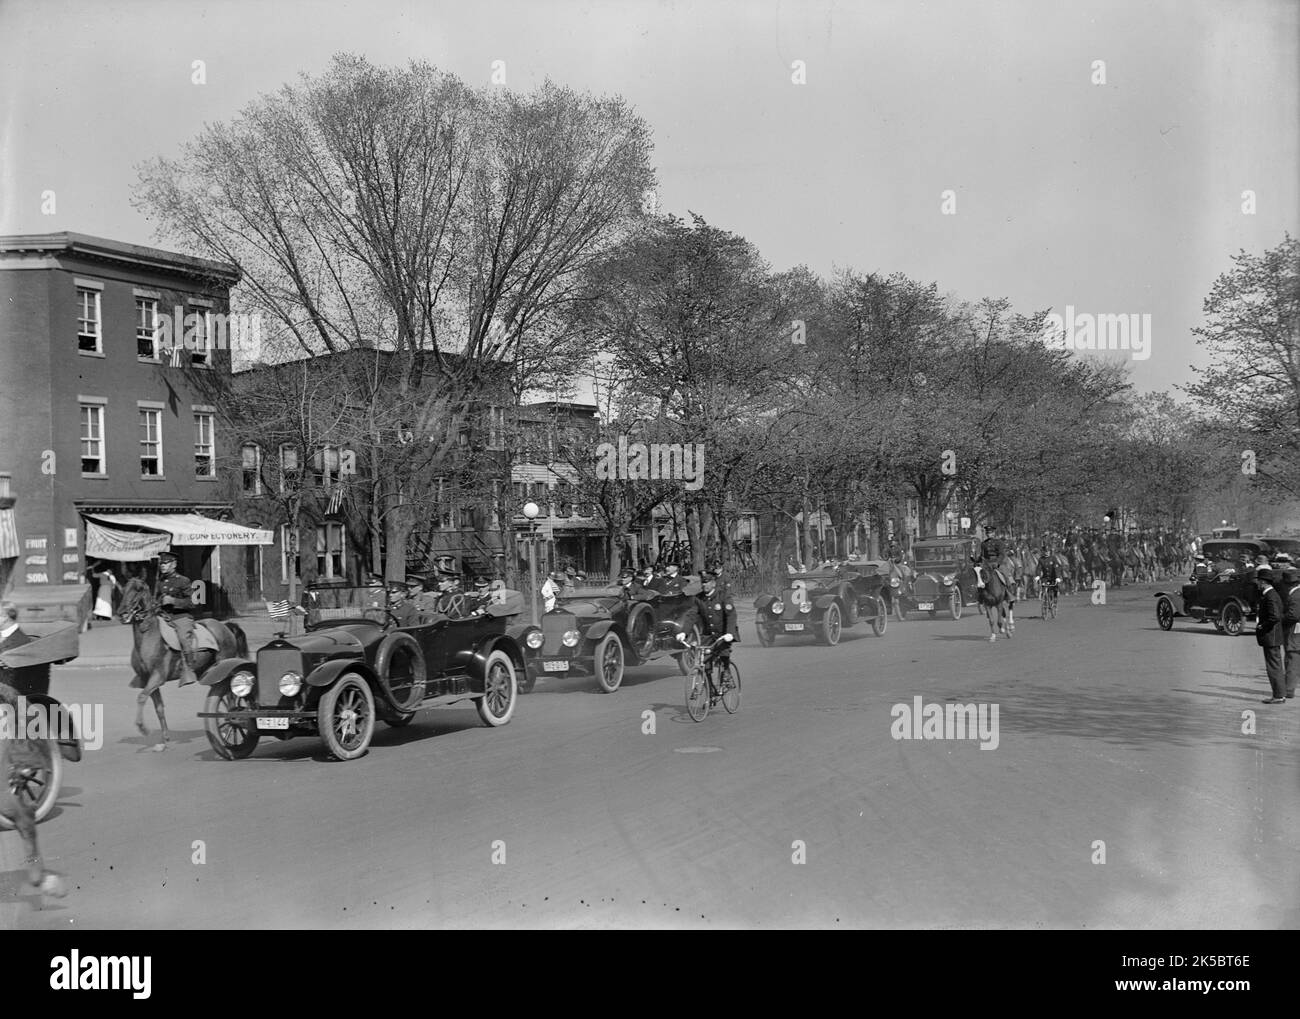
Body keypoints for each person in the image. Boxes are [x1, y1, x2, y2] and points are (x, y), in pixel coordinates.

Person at [156, 551, 200, 686]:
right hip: (163, 616)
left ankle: (189, 669)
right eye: (161, 563)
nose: (162, 566)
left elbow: (193, 602)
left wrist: (173, 601)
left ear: (174, 564)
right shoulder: (159, 582)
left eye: (166, 563)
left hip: (180, 616)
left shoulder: (183, 581)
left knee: (182, 639)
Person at [690, 570, 737, 691]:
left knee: (723, 652)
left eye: (707, 582)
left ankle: (726, 672)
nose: (704, 585)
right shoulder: (698, 598)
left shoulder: (723, 596)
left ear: (713, 583)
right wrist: (682, 632)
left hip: (724, 633)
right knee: (704, 661)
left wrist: (730, 633)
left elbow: (731, 615)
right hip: (708, 635)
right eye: (703, 582)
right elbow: (691, 616)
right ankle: (710, 688)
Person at [1254, 566, 1287, 703]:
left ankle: (1278, 696)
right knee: (1276, 666)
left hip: (1270, 636)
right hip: (1273, 636)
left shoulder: (1270, 596)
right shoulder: (1272, 594)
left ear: (1263, 582)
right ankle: (1280, 694)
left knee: (1273, 667)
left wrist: (1262, 625)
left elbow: (1274, 617)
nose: (1257, 584)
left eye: (1258, 581)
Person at [1278, 567, 1300, 700]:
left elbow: (1293, 615)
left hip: (1295, 630)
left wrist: (1280, 619)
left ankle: (1289, 689)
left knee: (1292, 658)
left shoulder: (1295, 595)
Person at [976, 525, 1011, 590]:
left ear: (994, 533)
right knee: (979, 573)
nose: (989, 534)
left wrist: (998, 563)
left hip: (997, 562)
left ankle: (1008, 591)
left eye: (990, 533)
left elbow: (1001, 554)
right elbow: (982, 555)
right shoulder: (983, 543)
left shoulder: (999, 542)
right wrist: (977, 561)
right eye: (988, 533)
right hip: (987, 563)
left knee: (1004, 574)